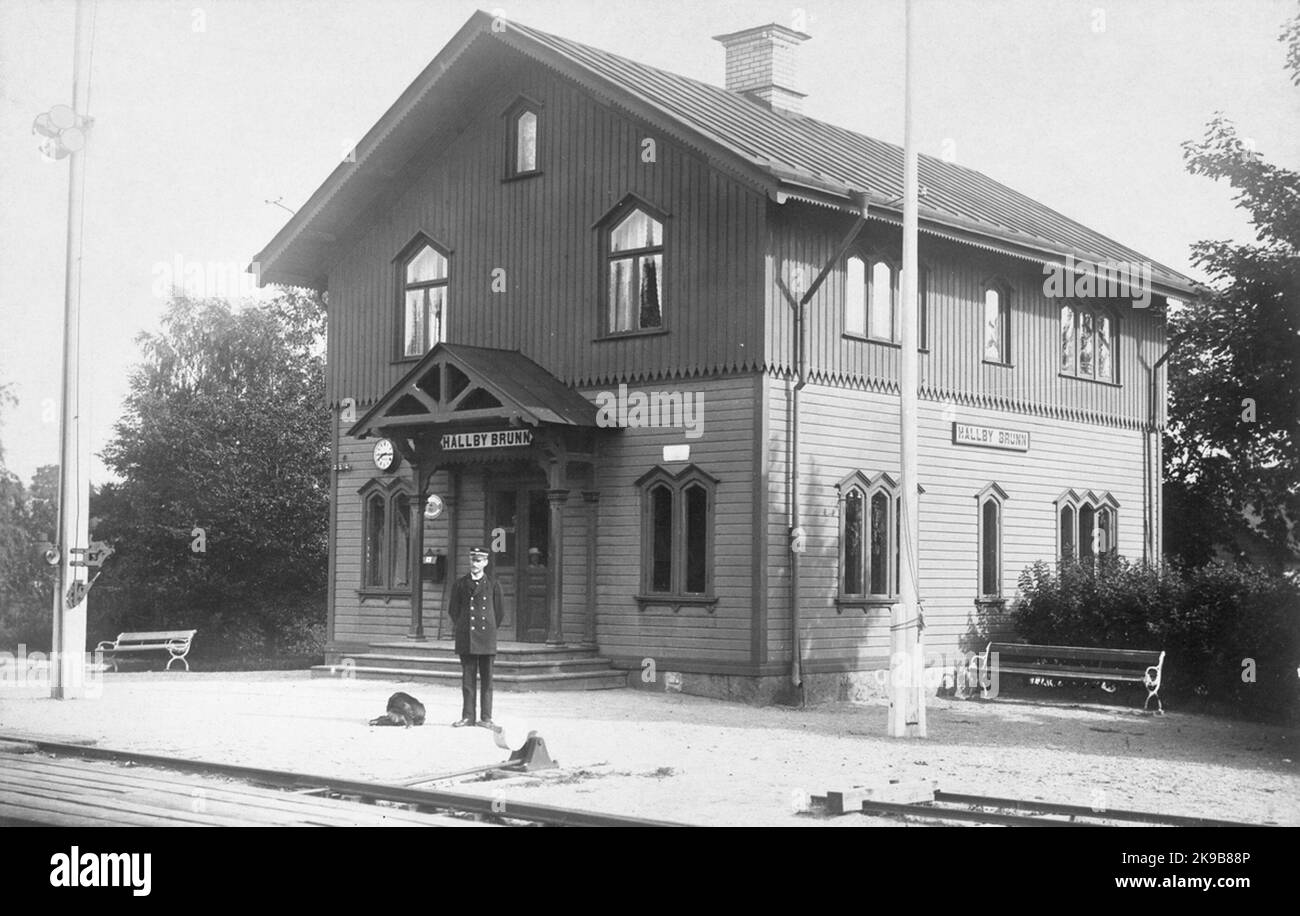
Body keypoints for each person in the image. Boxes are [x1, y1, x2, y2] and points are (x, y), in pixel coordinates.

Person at [448, 545, 504, 728]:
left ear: (485, 563)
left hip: (487, 637)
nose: (475, 564)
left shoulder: (494, 585)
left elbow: (499, 613)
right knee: (468, 680)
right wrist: (464, 625)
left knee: (487, 680)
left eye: (479, 560)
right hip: (467, 637)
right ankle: (468, 717)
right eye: (472, 560)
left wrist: (490, 628)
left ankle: (486, 717)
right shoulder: (460, 584)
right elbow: (453, 610)